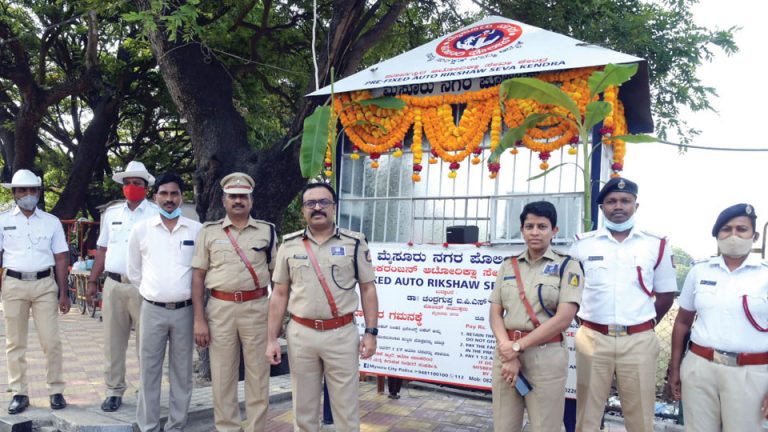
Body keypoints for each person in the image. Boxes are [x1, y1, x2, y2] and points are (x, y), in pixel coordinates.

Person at [266, 182, 379, 432]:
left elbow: (368, 288)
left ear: (334, 207)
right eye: (310, 203)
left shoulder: (354, 243)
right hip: (301, 335)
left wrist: (371, 333)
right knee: (303, 409)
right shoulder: (289, 245)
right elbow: (279, 294)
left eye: (324, 202)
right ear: (303, 209)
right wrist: (271, 339)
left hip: (341, 334)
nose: (317, 208)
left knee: (345, 410)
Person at [569, 177, 676, 432]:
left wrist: (641, 325)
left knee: (639, 417)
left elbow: (665, 296)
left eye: (625, 200)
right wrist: (586, 324)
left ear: (635, 206)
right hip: (593, 337)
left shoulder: (655, 243)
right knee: (587, 416)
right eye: (611, 201)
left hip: (638, 340)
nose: (619, 206)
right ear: (602, 207)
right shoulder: (583, 244)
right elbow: (573, 293)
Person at [668, 203, 768, 431]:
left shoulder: (765, 274)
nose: (733, 235)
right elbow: (683, 321)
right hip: (700, 368)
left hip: (751, 374)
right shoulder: (700, 271)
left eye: (741, 229)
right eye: (726, 229)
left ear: (755, 235)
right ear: (717, 235)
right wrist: (675, 368)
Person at [191, 172, 277, 432]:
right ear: (224, 200)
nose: (238, 201)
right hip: (220, 309)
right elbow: (197, 278)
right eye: (233, 196)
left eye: (243, 196)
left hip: (258, 309)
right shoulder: (208, 232)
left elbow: (278, 279)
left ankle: (255, 428)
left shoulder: (267, 231)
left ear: (251, 200)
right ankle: (227, 428)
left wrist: (276, 321)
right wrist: (199, 320)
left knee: (258, 375)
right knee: (222, 375)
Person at [489, 201, 583, 432]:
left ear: (554, 231)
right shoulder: (508, 266)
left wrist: (517, 348)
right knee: (504, 425)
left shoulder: (568, 266)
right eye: (529, 226)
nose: (535, 232)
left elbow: (563, 318)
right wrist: (507, 350)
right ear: (522, 230)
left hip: (546, 356)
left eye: (542, 226)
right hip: (506, 355)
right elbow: (495, 313)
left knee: (544, 426)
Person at [126, 173, 201, 432]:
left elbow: (201, 272)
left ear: (181, 197)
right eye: (164, 194)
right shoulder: (141, 229)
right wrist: (153, 292)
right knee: (149, 370)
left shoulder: (196, 229)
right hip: (152, 310)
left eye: (174, 194)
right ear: (155, 196)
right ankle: (148, 426)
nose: (169, 199)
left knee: (182, 372)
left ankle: (176, 425)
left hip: (185, 311)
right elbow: (133, 271)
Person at [86, 160, 159, 412]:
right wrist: (93, 281)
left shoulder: (156, 214)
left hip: (144, 286)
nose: (131, 187)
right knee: (112, 341)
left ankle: (146, 391)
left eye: (136, 184)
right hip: (114, 285)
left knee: (147, 342)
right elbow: (103, 249)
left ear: (146, 187)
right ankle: (114, 390)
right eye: (127, 183)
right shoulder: (112, 215)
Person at [0, 169, 70, 414]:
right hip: (13, 283)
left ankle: (56, 390)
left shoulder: (51, 222)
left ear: (39, 192)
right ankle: (19, 392)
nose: (28, 194)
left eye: (32, 190)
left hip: (44, 285)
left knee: (51, 341)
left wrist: (64, 293)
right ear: (14, 193)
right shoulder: (3, 221)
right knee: (15, 342)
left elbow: (61, 258)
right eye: (22, 190)